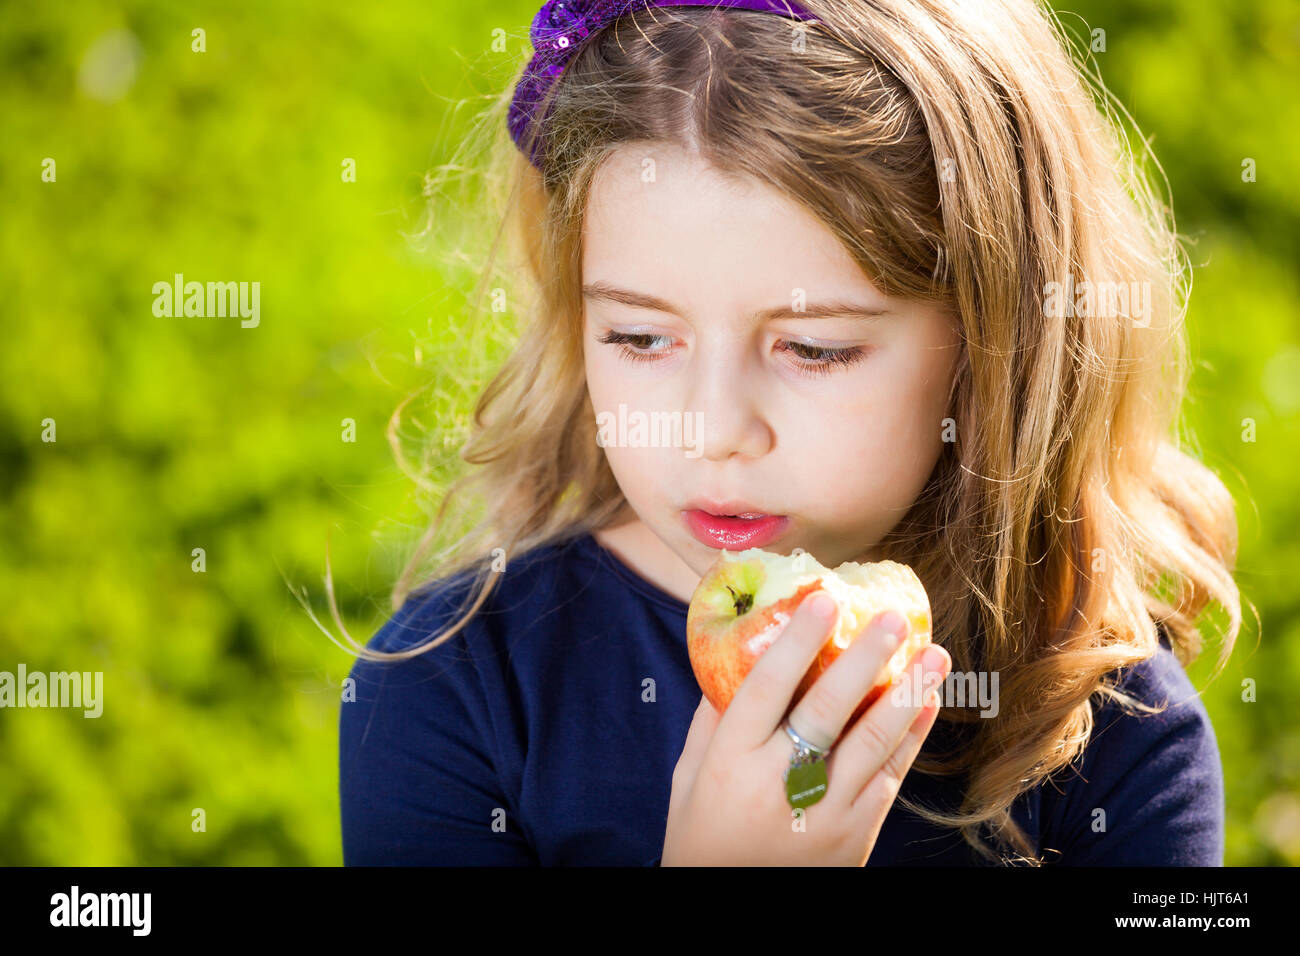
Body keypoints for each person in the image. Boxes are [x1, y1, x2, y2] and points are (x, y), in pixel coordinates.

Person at [338, 0, 1241, 865]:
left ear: (994, 342)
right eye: (641, 336)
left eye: (813, 348)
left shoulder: (1107, 733)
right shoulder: (449, 693)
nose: (715, 431)